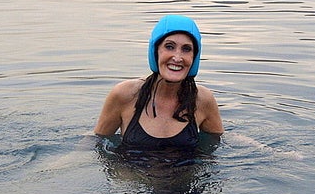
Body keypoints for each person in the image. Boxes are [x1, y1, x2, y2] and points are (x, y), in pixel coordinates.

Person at [95, 15, 224, 150]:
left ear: (194, 57)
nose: (177, 58)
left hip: (185, 170)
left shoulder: (203, 100)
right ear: (155, 51)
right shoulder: (124, 95)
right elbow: (98, 139)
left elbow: (218, 139)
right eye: (169, 47)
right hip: (129, 170)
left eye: (186, 49)